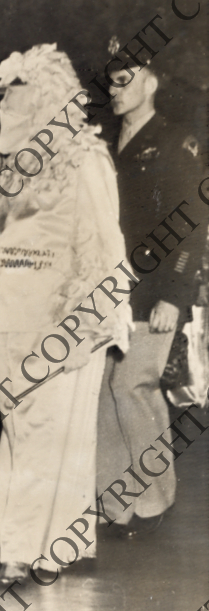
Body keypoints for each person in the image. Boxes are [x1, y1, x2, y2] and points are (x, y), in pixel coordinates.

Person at [0, 44, 131, 584]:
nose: (4, 110)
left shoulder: (85, 158)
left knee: (50, 431)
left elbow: (104, 242)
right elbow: (3, 239)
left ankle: (26, 550)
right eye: (4, 101)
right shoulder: (15, 169)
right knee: (23, 429)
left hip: (61, 316)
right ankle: (45, 545)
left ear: (46, 101)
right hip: (9, 312)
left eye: (16, 100)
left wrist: (88, 319)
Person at [96, 61, 205, 538]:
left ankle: (156, 500)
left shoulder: (176, 141)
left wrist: (175, 295)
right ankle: (116, 506)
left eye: (126, 79)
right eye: (111, 79)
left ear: (153, 82)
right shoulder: (102, 141)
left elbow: (192, 223)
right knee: (104, 393)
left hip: (154, 288)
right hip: (107, 286)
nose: (115, 88)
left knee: (131, 387)